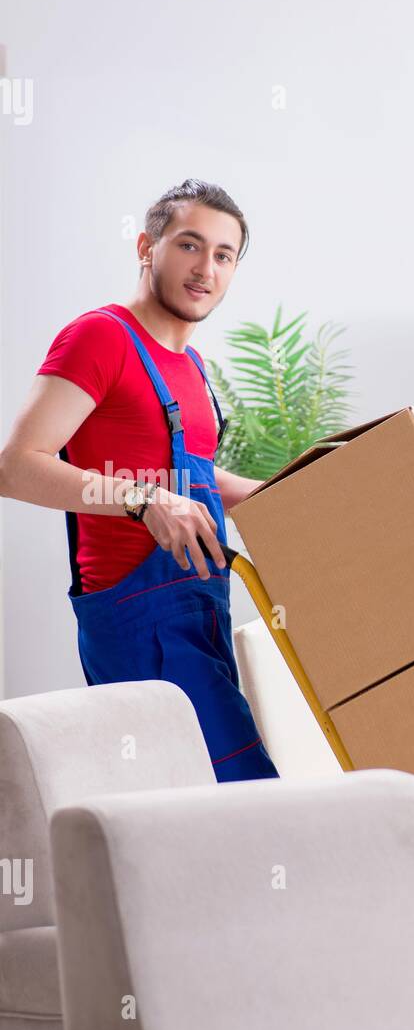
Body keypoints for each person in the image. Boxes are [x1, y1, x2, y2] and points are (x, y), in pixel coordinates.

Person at [0, 178, 278, 781]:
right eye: (189, 245)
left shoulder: (192, 367)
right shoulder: (99, 336)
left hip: (201, 616)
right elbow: (17, 466)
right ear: (146, 247)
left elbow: (191, 477)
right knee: (234, 807)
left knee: (223, 815)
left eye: (224, 255)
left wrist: (283, 496)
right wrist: (141, 498)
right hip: (139, 626)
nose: (206, 268)